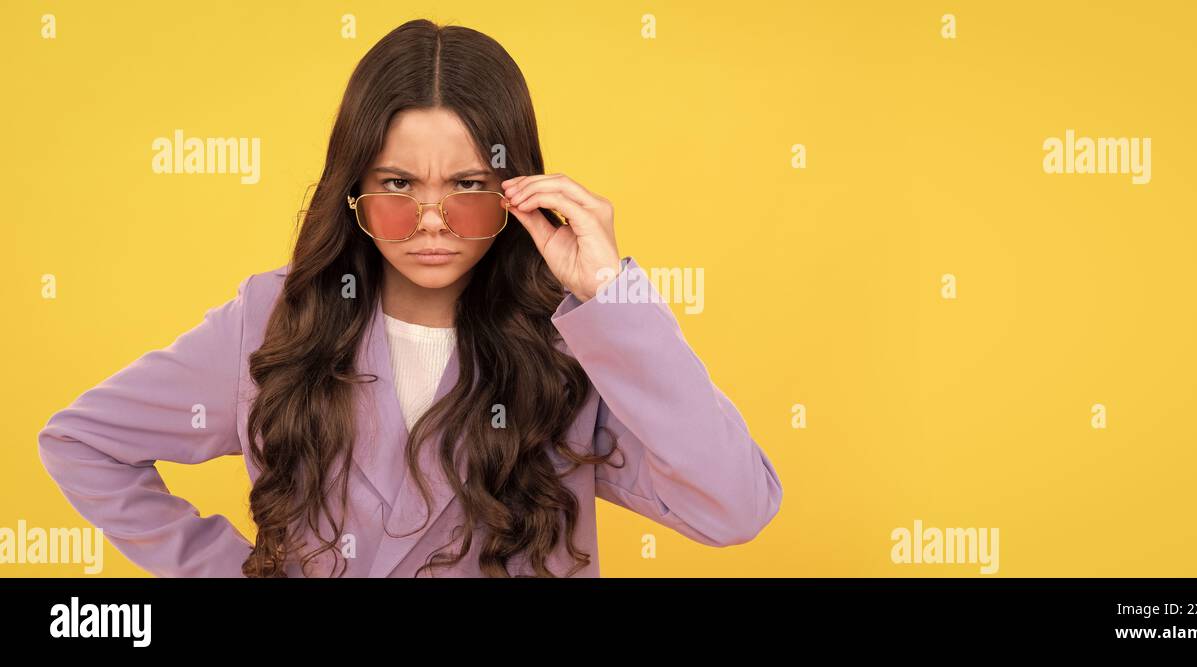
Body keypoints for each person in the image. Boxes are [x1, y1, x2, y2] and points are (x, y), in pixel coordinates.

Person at [37, 18, 782, 578]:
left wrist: (611, 296)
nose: (431, 220)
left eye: (466, 186)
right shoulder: (268, 324)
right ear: (354, 186)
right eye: (398, 184)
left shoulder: (577, 347)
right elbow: (83, 442)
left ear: (516, 189)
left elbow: (736, 506)